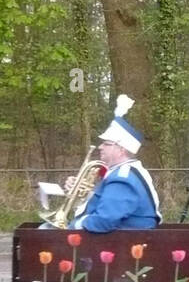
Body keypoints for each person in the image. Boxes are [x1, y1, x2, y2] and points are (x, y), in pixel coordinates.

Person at [66, 95, 161, 232]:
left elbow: (103, 221)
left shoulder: (123, 178)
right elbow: (107, 204)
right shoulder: (124, 173)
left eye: (106, 144)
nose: (100, 147)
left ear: (121, 150)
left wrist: (73, 226)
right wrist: (79, 192)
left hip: (121, 243)